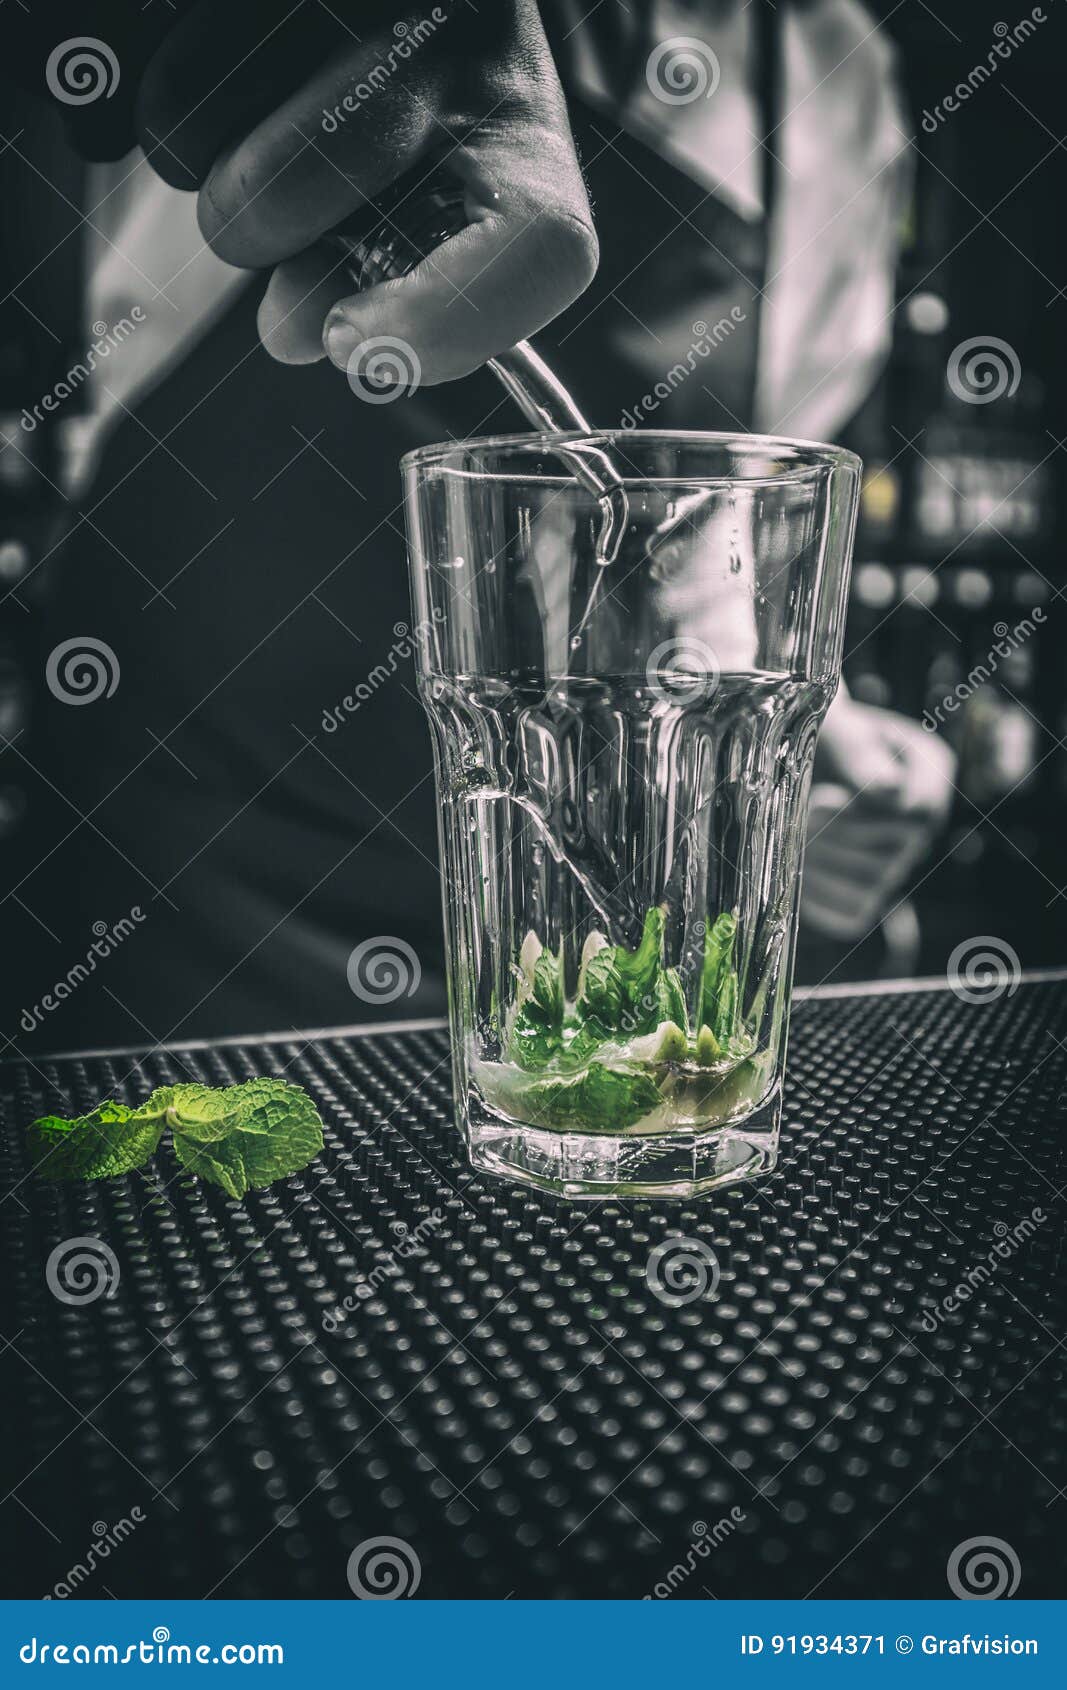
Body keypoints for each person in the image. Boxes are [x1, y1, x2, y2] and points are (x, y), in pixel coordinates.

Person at [0, 0, 953, 1053]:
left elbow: (712, 532)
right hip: (184, 869)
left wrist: (776, 748)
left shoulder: (836, 71)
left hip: (561, 932)